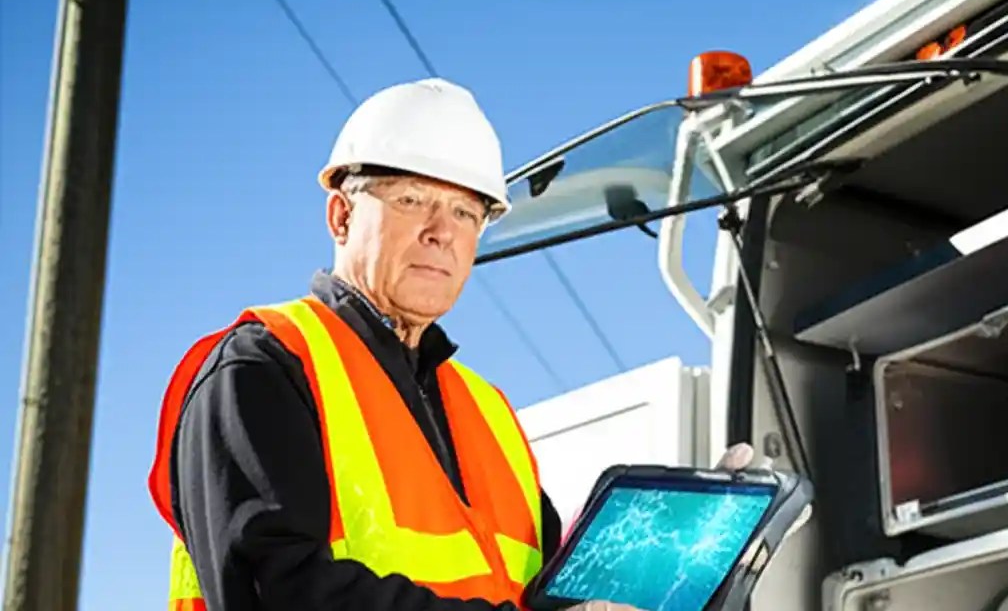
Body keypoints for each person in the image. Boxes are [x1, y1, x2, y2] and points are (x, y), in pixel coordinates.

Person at [146, 78, 754, 611]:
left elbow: (541, 595)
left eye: (466, 213)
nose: (442, 233)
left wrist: (666, 557)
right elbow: (279, 588)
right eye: (412, 200)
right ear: (340, 217)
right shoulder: (262, 365)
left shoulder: (486, 412)